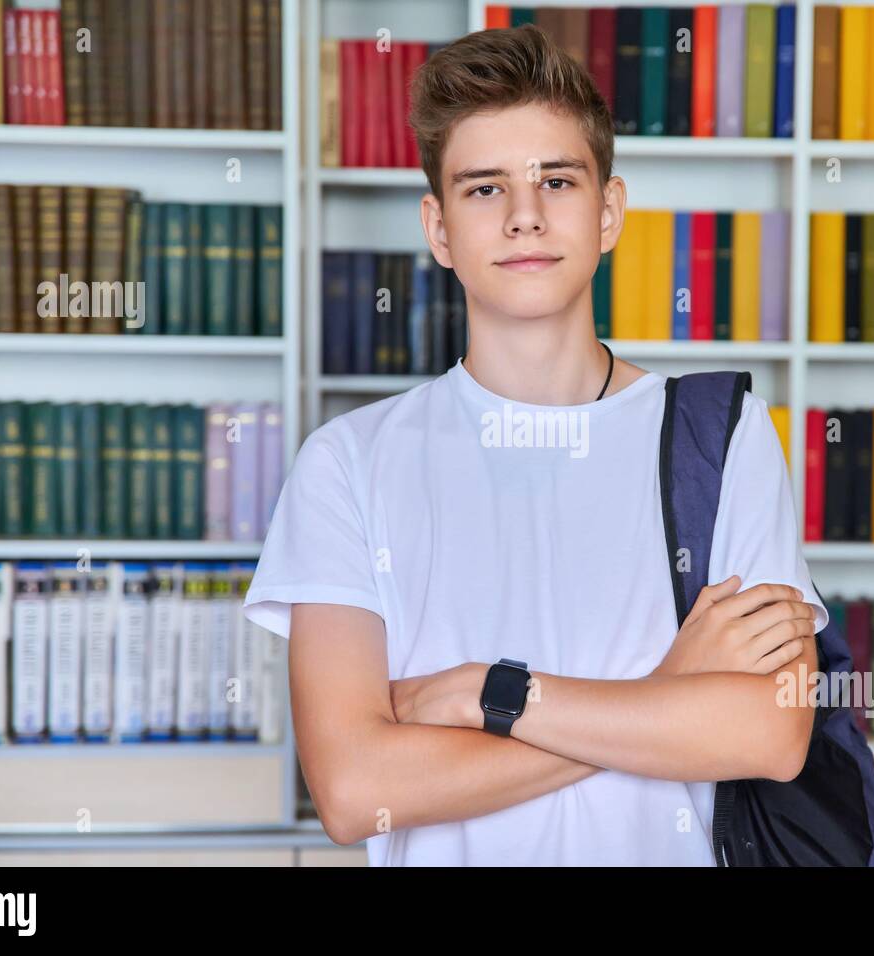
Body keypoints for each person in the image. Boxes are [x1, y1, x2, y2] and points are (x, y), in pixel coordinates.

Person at [242, 24, 829, 866]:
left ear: (608, 212)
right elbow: (352, 790)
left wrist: (488, 695)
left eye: (556, 180)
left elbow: (768, 734)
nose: (524, 217)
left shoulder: (722, 436)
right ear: (438, 230)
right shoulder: (348, 462)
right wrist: (663, 698)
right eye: (484, 190)